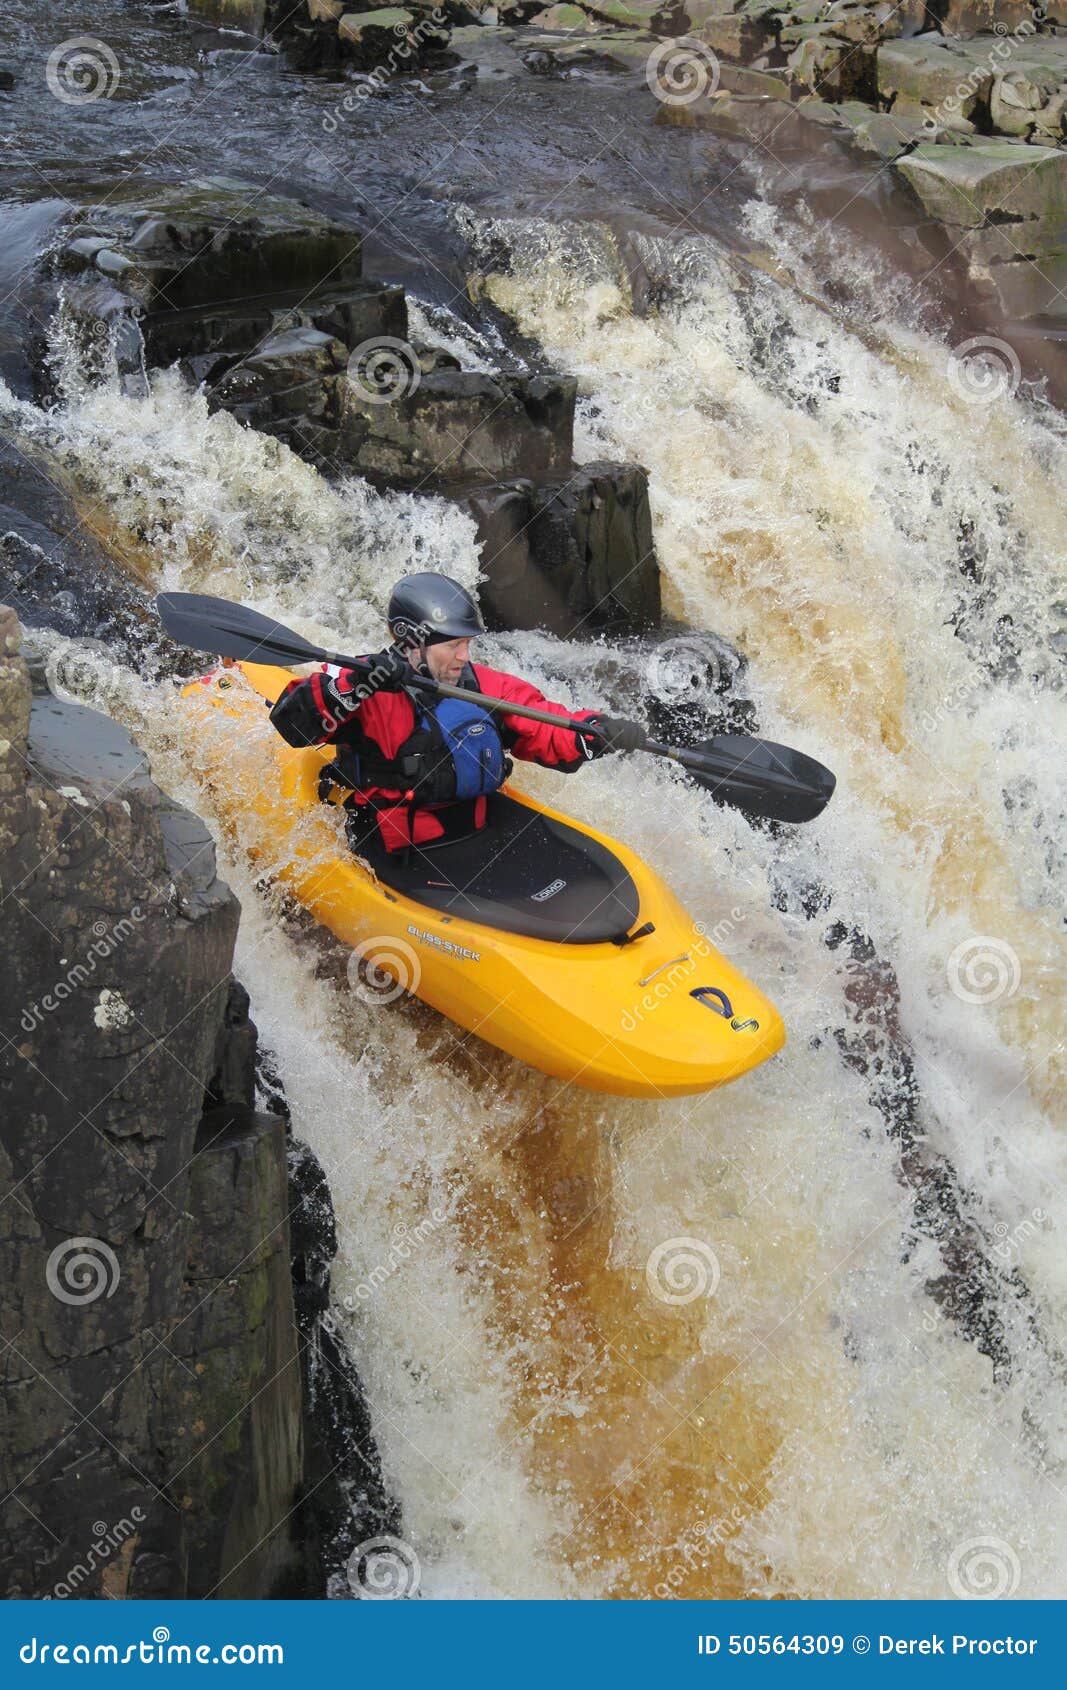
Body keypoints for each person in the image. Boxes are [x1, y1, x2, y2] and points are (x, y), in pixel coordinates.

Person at [268, 572, 646, 861]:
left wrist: (593, 732)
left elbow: (542, 723)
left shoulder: (480, 684)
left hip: (477, 831)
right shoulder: (364, 682)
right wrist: (355, 685)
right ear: (411, 642)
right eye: (453, 645)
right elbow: (293, 722)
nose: (464, 656)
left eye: (467, 644)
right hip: (398, 852)